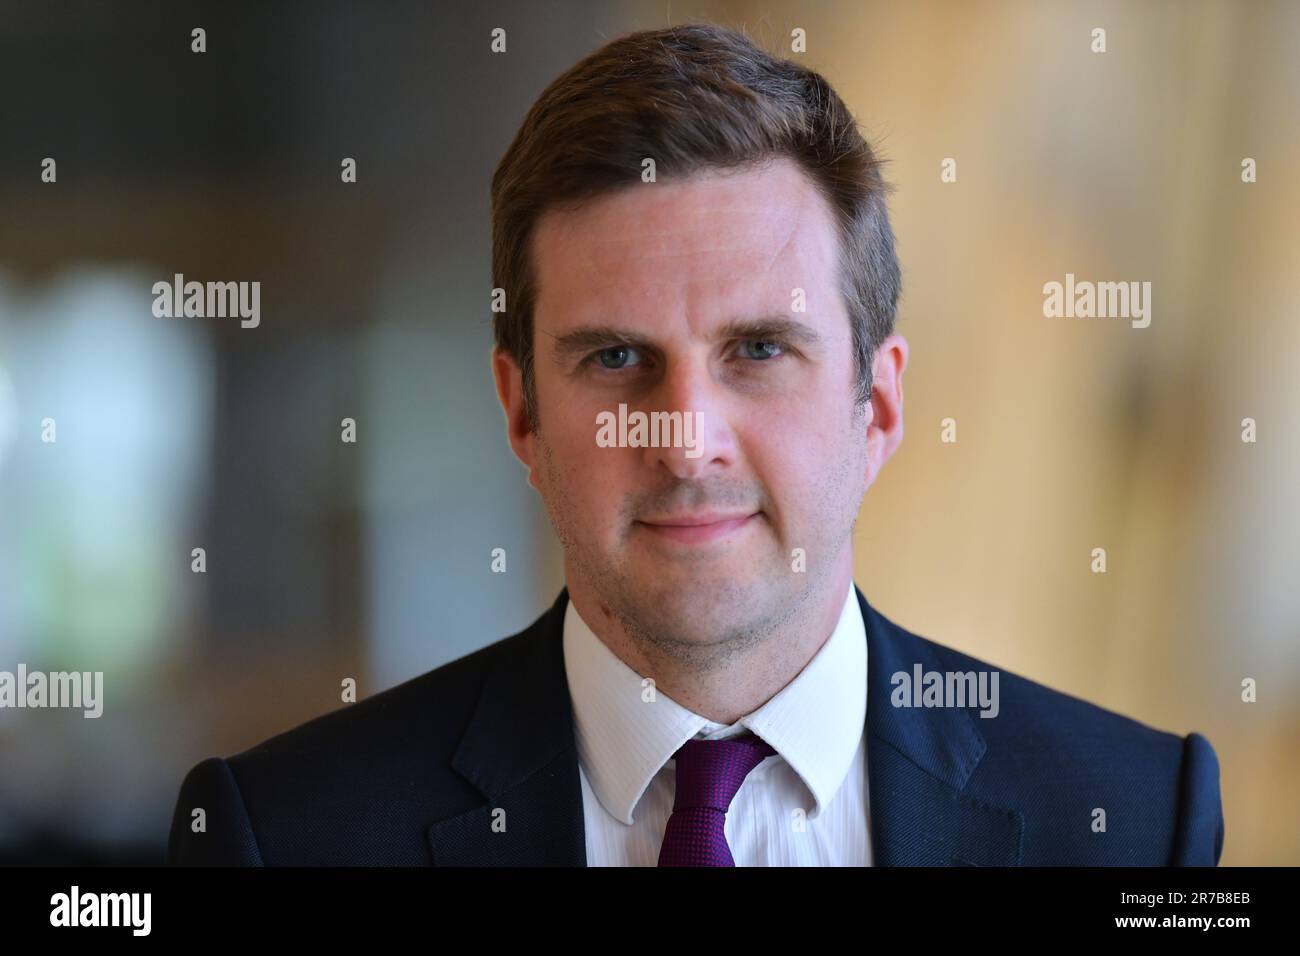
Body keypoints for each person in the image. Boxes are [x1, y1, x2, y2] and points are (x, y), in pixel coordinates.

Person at [168, 21, 1224, 867]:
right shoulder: (288, 834)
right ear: (521, 411)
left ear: (880, 405)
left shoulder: (1129, 818)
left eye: (759, 348)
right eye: (618, 359)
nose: (684, 442)